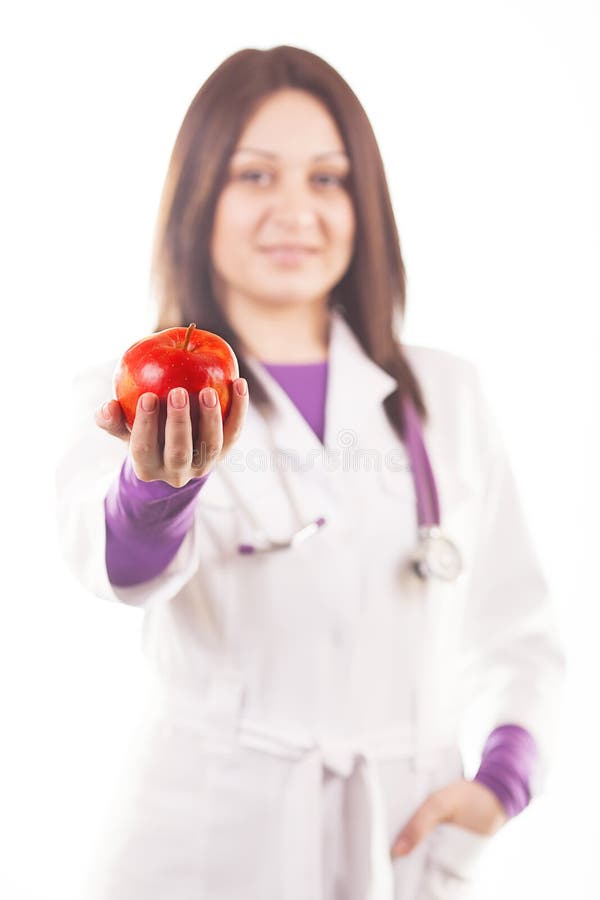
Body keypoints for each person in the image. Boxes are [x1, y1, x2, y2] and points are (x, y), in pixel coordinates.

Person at [55, 45, 566, 900]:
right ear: (197, 198)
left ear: (364, 203)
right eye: (255, 176)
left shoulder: (448, 394)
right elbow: (114, 565)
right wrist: (158, 493)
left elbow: (517, 628)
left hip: (400, 840)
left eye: (327, 179)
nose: (294, 209)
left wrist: (502, 782)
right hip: (202, 842)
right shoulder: (129, 393)